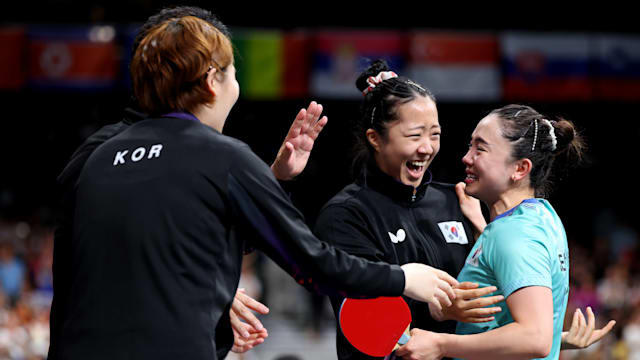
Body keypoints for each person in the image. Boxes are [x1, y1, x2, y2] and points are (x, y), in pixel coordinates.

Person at [47, 15, 459, 360]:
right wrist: (401, 279)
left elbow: (129, 256)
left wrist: (271, 182)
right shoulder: (223, 156)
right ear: (212, 80)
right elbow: (314, 266)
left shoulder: (98, 156)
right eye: (232, 74)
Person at [50, 6, 326, 356]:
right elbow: (107, 266)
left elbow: (185, 236)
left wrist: (274, 180)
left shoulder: (174, 149)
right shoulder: (99, 157)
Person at [313, 60, 501, 360]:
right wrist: (440, 310)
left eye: (435, 134)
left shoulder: (456, 201)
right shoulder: (345, 216)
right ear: (376, 138)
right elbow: (371, 324)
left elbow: (487, 298)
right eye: (415, 136)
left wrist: (485, 233)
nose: (427, 147)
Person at [394, 104, 614, 360]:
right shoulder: (542, 216)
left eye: (481, 149)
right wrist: (558, 339)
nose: (467, 157)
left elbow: (534, 337)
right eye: (470, 145)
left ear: (520, 169)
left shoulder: (513, 234)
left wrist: (441, 343)